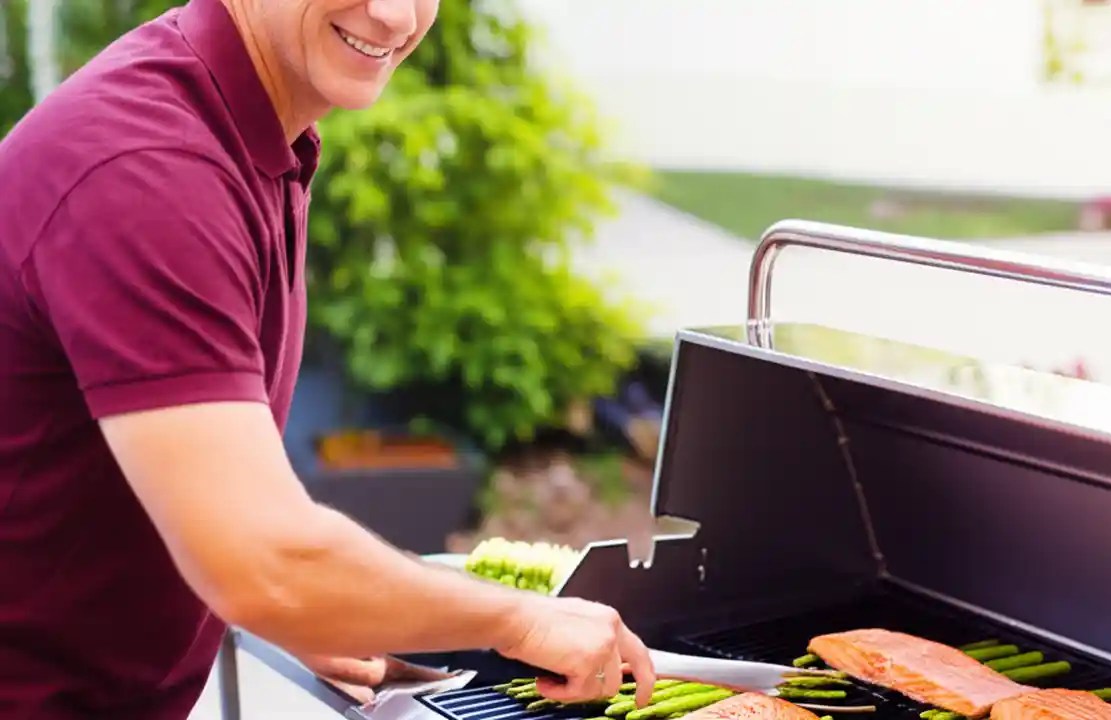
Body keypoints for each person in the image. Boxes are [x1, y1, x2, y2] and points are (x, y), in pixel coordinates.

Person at [0, 0, 656, 718]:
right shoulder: (150, 169)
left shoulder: (246, 126)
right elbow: (261, 559)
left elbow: (182, 498)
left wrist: (311, 603)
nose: (394, 14)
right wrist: (523, 620)